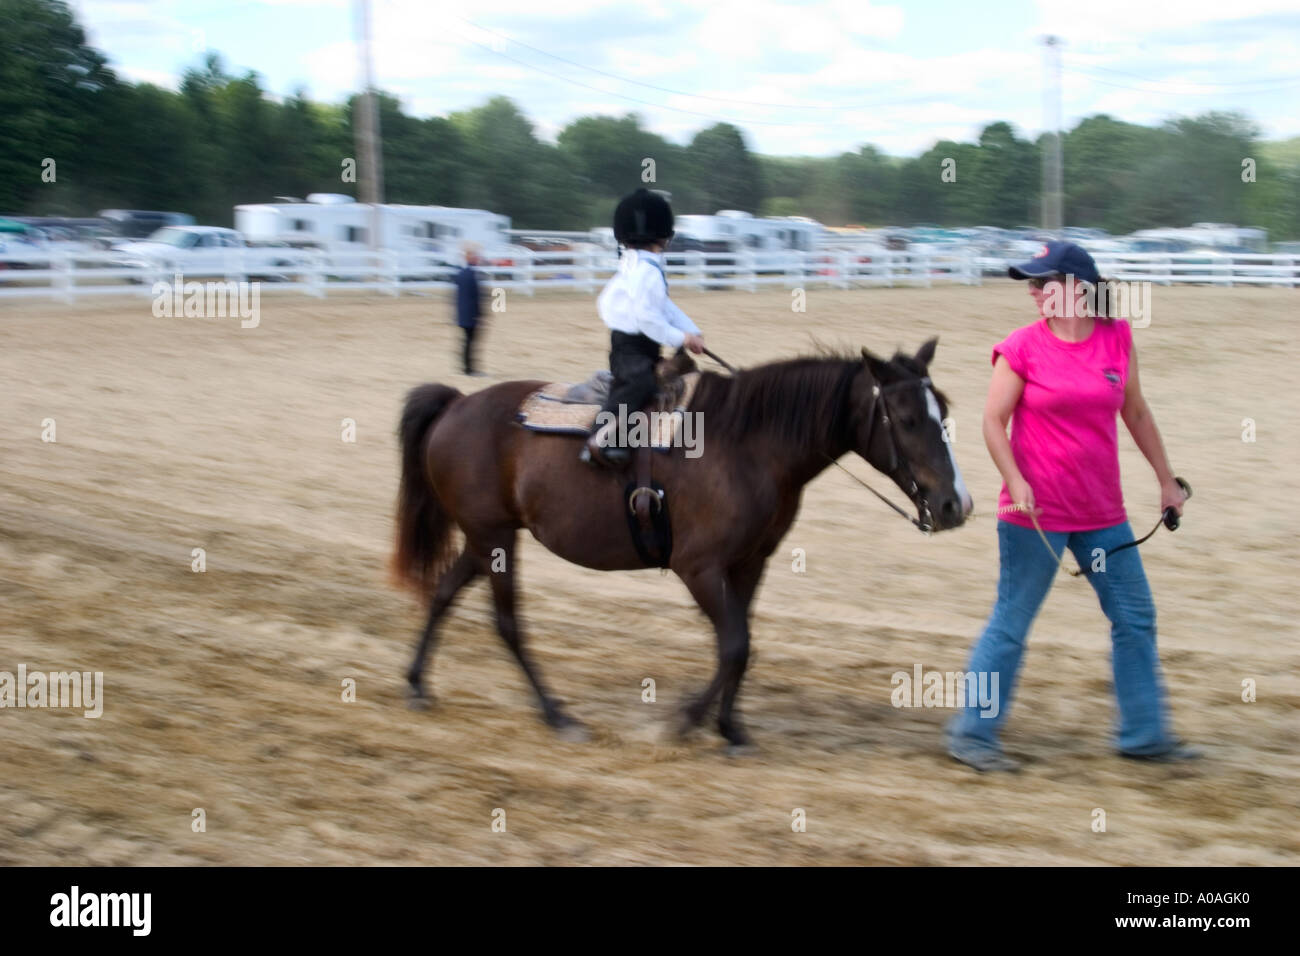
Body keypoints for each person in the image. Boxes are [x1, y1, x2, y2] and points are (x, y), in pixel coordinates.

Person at [946, 240, 1195, 772]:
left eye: (1043, 283)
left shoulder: (1117, 340)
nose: (1034, 292)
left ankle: (1144, 736)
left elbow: (1137, 414)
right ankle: (973, 735)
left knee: (1135, 616)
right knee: (1012, 621)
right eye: (1030, 285)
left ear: (1078, 289)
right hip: (1033, 515)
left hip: (1103, 512)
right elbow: (992, 422)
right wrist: (1015, 479)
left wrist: (1166, 481)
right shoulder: (1022, 347)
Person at [580, 188, 706, 467]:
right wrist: (681, 337)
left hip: (639, 344)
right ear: (664, 235)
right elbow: (648, 319)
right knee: (640, 384)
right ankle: (599, 439)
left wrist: (691, 331)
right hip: (631, 348)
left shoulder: (638, 265)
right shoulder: (646, 271)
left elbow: (665, 308)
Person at [452, 242, 485, 376]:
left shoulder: (461, 273)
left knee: (467, 342)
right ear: (470, 257)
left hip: (463, 314)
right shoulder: (472, 275)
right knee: (470, 343)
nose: (478, 258)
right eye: (476, 256)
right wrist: (479, 314)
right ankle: (469, 369)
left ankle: (467, 368)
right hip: (470, 316)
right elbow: (474, 298)